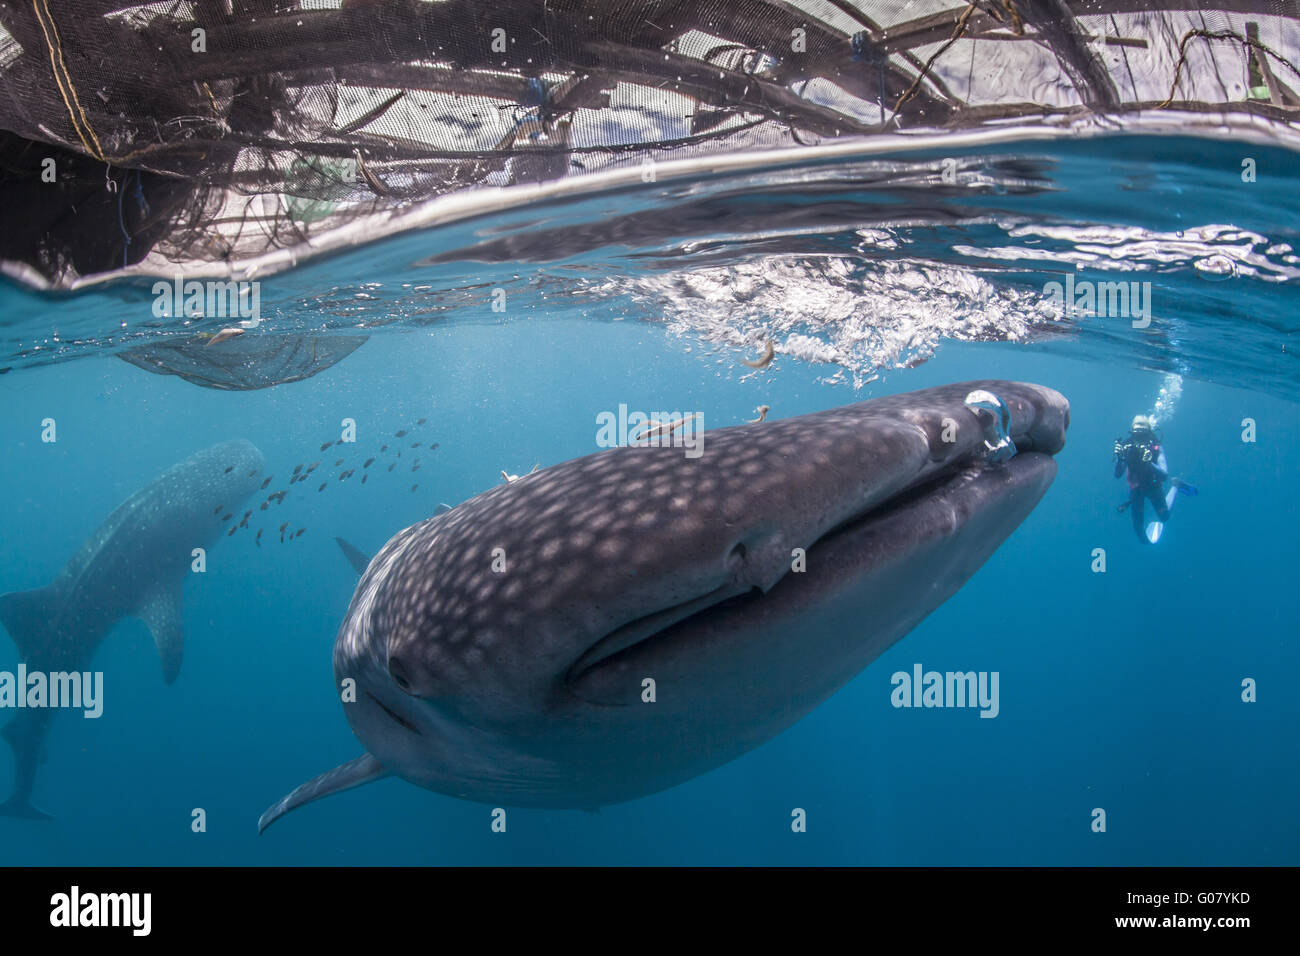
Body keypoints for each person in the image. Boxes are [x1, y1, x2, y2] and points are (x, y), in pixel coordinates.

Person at [1114, 415, 1197, 544]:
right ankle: (1146, 549)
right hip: (1136, 489)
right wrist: (1120, 459)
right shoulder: (1127, 447)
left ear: (1149, 429)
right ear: (1132, 428)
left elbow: (1164, 475)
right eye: (1137, 424)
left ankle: (1176, 486)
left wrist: (1149, 464)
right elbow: (1118, 474)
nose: (1140, 427)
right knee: (1138, 528)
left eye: (1143, 425)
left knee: (1164, 517)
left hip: (1153, 486)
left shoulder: (1155, 447)